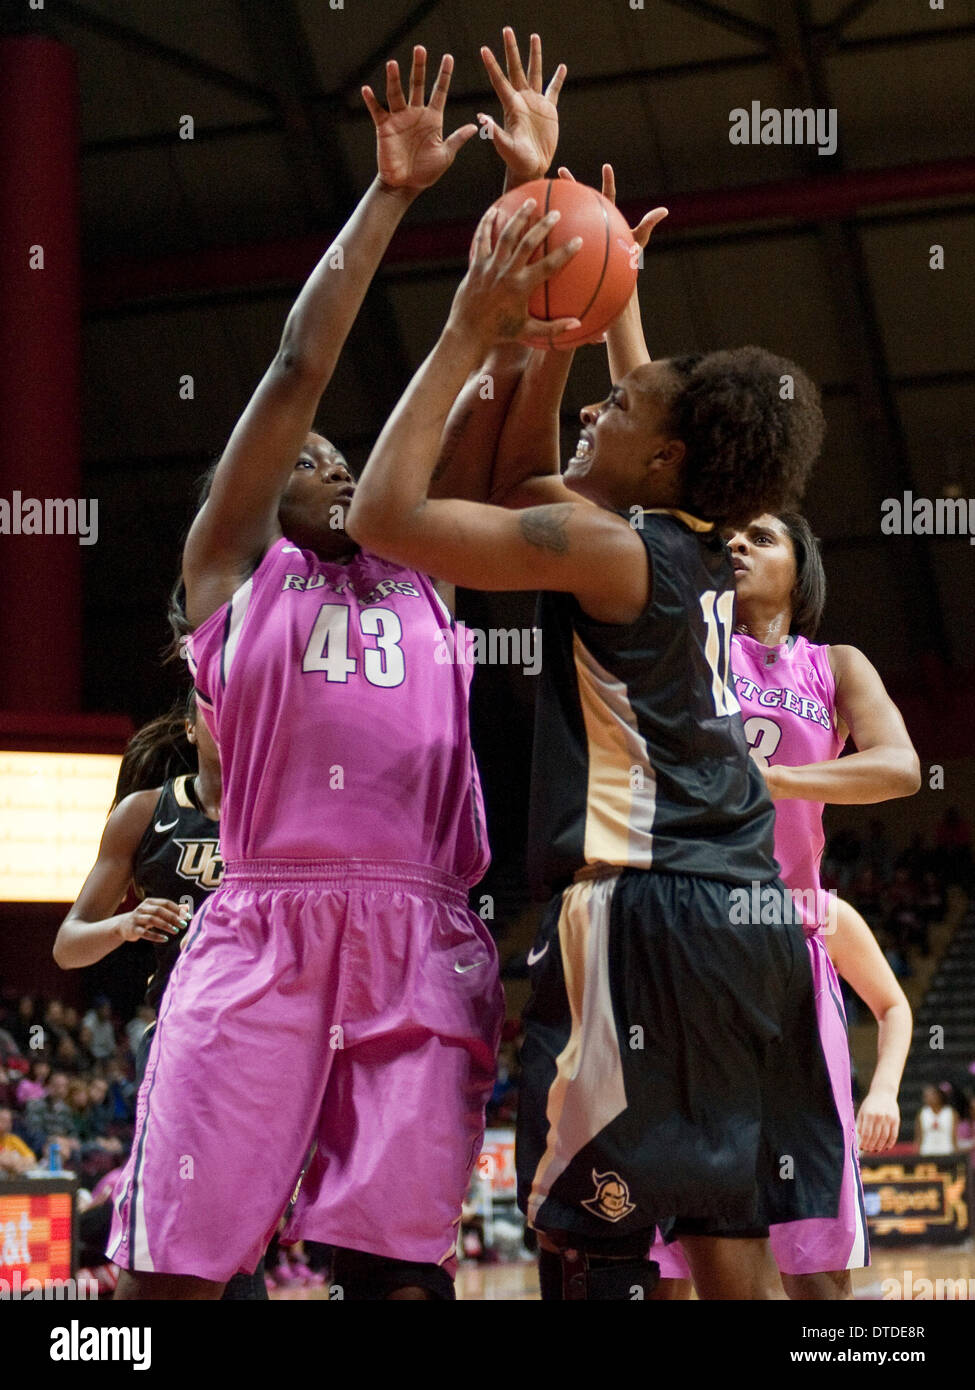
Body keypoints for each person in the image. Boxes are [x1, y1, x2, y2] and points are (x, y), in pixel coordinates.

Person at [346, 173, 848, 1297]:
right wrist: (582, 312)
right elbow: (546, 467)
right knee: (727, 1241)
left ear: (667, 461)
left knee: (590, 1239)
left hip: (651, 912)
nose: (598, 411)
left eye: (616, 413)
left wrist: (479, 326)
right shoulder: (689, 539)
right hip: (739, 914)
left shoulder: (623, 553)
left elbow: (386, 517)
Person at [107, 43, 506, 1303]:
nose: (334, 466)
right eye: (311, 459)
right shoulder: (232, 572)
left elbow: (514, 425)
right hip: (267, 923)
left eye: (350, 458)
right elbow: (295, 368)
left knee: (396, 1275)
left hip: (420, 926)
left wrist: (530, 228)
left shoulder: (431, 559)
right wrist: (390, 197)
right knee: (170, 1277)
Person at [915, 1084, 958, 1155]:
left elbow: (955, 1136)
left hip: (947, 1151)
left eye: (931, 1095)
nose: (928, 1098)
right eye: (926, 1096)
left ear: (939, 1096)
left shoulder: (951, 1112)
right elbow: (918, 1137)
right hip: (927, 1152)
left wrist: (956, 1152)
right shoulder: (922, 1113)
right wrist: (917, 1153)